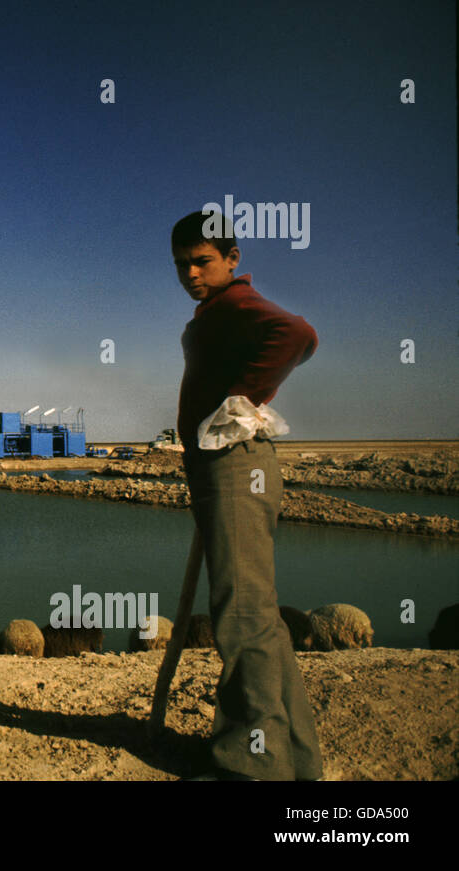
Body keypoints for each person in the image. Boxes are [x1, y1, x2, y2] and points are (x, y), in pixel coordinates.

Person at [171, 209, 323, 781]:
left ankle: (250, 768)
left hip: (236, 469)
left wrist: (242, 397)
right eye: (181, 264)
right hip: (225, 470)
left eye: (202, 261)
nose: (190, 272)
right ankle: (295, 763)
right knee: (259, 618)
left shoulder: (234, 302)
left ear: (232, 260)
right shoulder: (215, 310)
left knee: (241, 619)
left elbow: (298, 333)